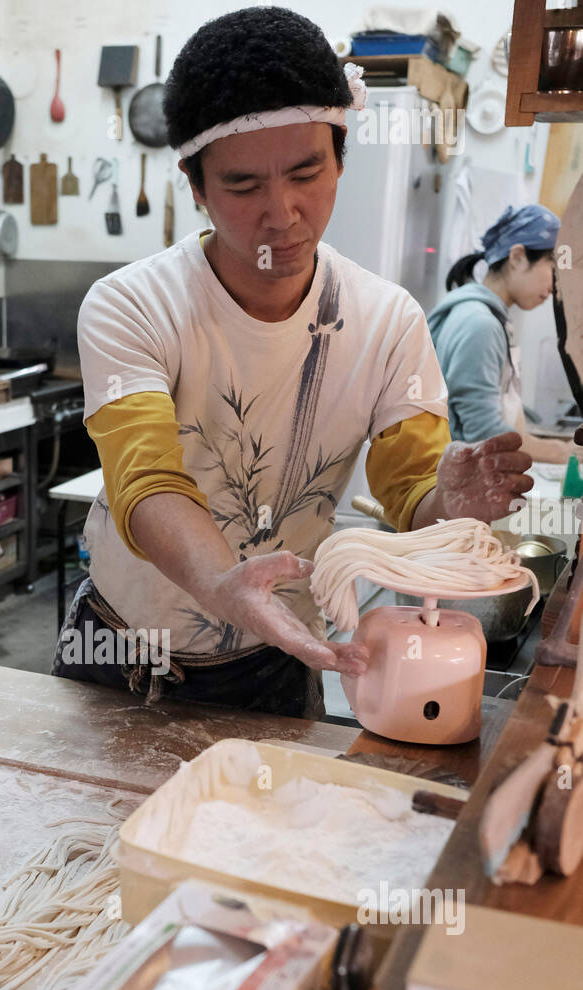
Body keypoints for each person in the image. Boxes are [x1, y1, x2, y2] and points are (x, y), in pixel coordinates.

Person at [54, 6, 533, 717]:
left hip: (275, 663)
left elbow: (408, 491)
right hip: (121, 659)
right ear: (195, 186)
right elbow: (145, 480)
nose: (281, 212)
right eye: (243, 187)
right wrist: (220, 584)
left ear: (341, 156)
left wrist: (448, 506)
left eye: (306, 172)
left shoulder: (386, 321)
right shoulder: (131, 305)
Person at [428, 203, 569, 467]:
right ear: (517, 257)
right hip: (453, 488)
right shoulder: (480, 324)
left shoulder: (493, 320)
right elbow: (483, 432)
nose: (554, 287)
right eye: (553, 269)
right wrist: (560, 452)